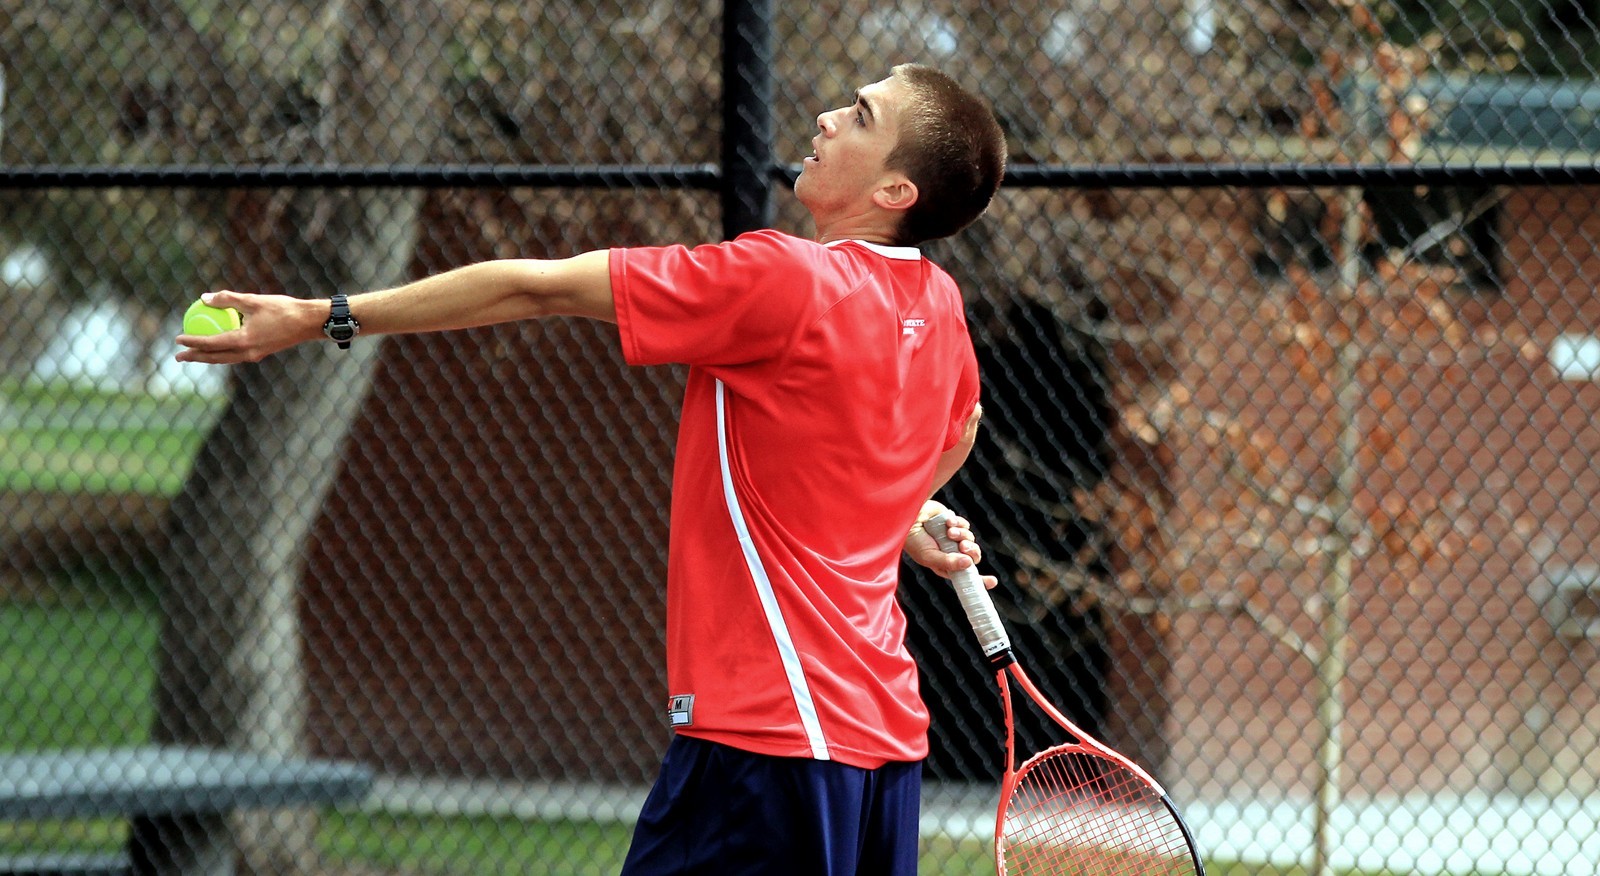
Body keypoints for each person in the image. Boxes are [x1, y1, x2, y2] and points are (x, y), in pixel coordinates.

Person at [177, 63, 1006, 876]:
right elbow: (947, 440)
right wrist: (906, 517)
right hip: (884, 744)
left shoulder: (785, 277)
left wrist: (323, 317)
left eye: (861, 116)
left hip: (771, 739)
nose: (827, 117)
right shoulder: (939, 306)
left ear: (897, 192)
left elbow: (534, 289)